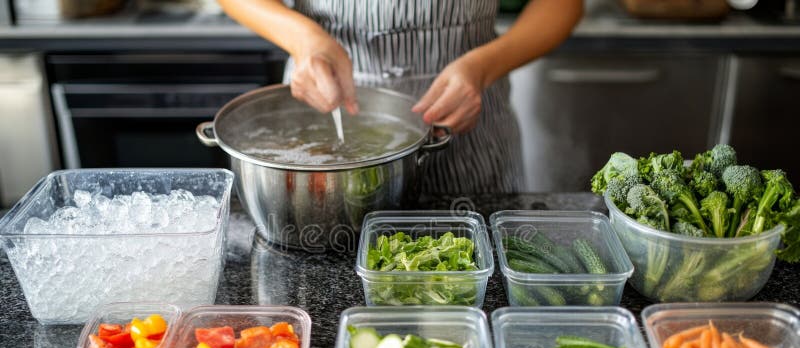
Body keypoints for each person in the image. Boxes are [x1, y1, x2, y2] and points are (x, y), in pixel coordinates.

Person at [218, 0, 583, 194]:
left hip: (467, 118)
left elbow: (562, 5)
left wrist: (483, 66)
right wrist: (305, 41)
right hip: (325, 107)